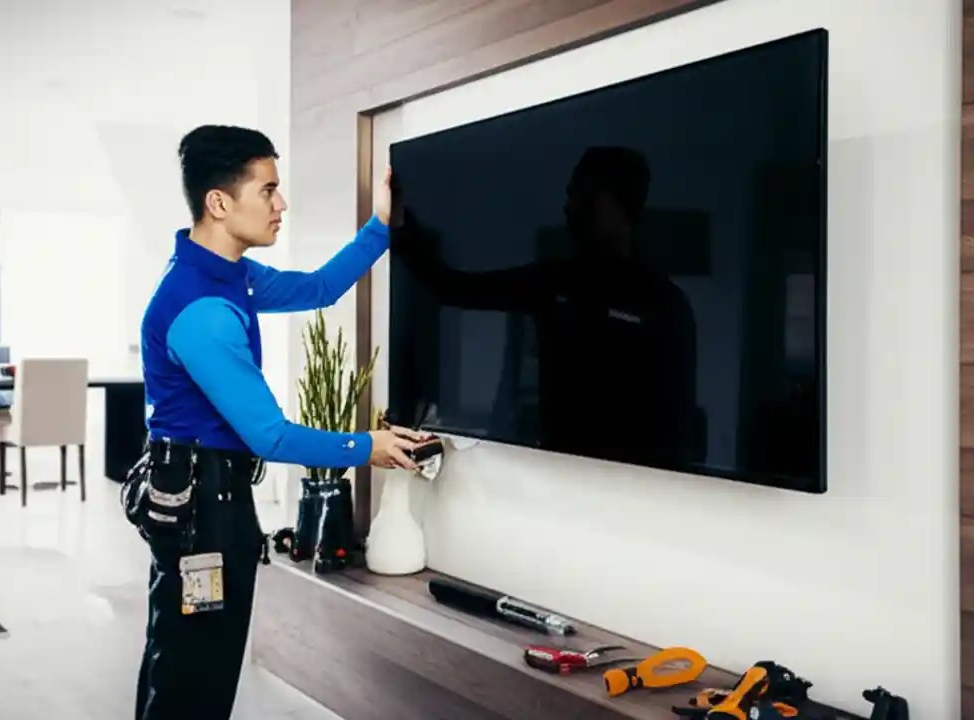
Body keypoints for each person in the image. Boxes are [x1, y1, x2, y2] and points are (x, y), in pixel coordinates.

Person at [132, 124, 424, 719]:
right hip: (203, 520)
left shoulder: (225, 273)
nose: (281, 203)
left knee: (187, 669)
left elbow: (316, 288)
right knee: (193, 682)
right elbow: (270, 434)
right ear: (219, 202)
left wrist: (380, 227)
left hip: (213, 500)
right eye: (267, 190)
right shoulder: (200, 309)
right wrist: (367, 445)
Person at [392, 146, 699, 468]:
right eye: (570, 195)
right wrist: (401, 223)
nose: (569, 207)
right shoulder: (554, 280)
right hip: (555, 478)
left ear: (623, 208)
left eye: (585, 195)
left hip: (641, 490)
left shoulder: (665, 303)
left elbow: (679, 430)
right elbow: (453, 287)